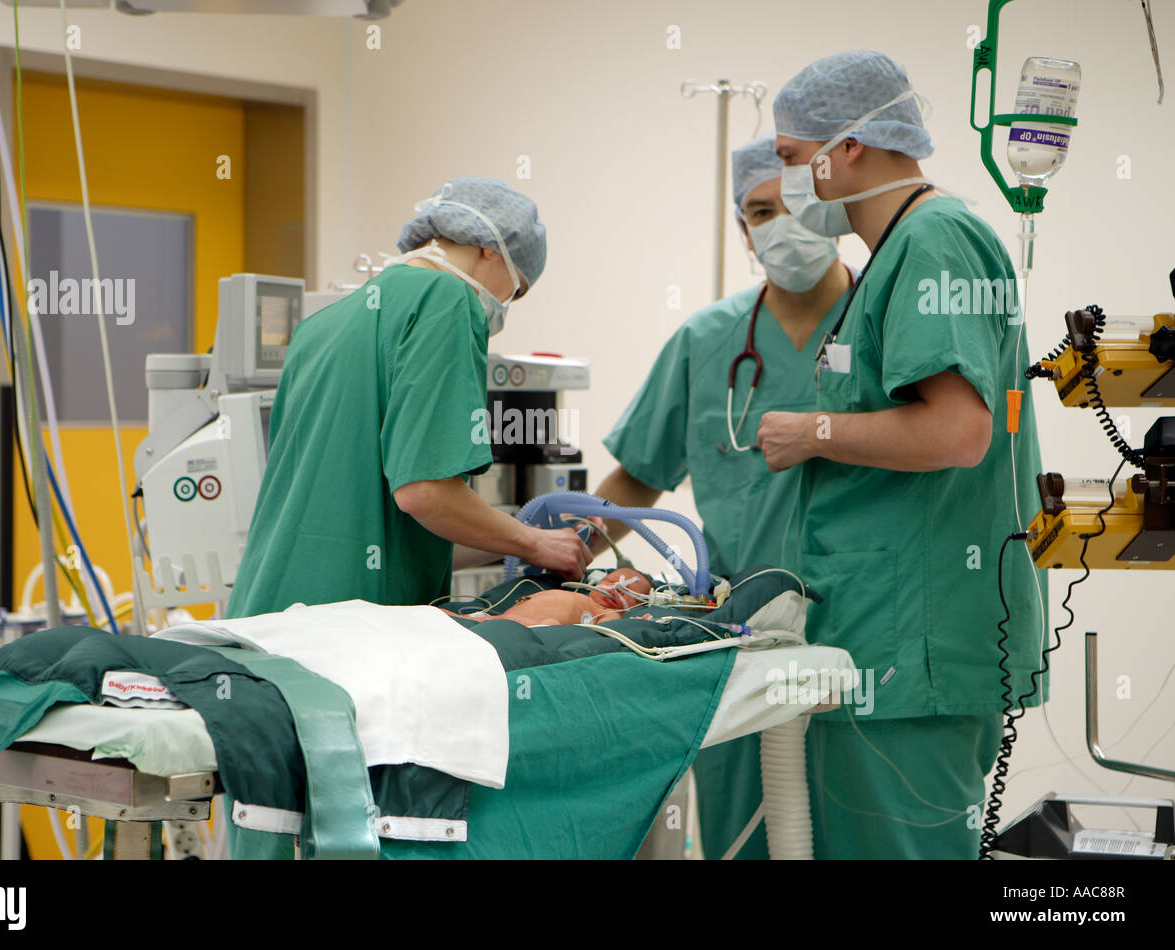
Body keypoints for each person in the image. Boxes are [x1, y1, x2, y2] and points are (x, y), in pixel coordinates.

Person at [758, 50, 1047, 859]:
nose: (791, 185)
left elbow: (958, 432)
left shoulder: (934, 242)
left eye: (791, 160)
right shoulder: (903, 252)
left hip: (912, 642)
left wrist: (810, 432)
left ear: (848, 147)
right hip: (891, 633)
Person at [593, 133, 854, 859]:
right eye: (759, 211)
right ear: (742, 229)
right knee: (750, 832)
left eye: (794, 204)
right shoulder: (706, 341)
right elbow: (637, 477)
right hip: (742, 634)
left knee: (864, 826)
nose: (780, 225)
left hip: (862, 624)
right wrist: (551, 550)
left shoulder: (885, 323)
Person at [228, 178, 592, 619]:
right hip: (345, 633)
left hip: (266, 613)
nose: (504, 305)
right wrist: (532, 541)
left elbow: (392, 532)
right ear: (490, 249)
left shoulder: (320, 325)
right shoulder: (447, 300)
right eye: (514, 289)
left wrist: (516, 538)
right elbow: (424, 495)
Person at [442, 568, 653, 626]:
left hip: (538, 625)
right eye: (612, 580)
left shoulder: (606, 612)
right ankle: (428, 614)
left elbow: (609, 630)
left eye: (627, 592)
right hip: (512, 614)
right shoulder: (577, 594)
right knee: (451, 617)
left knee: (472, 624)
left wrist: (633, 624)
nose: (616, 588)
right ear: (596, 581)